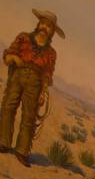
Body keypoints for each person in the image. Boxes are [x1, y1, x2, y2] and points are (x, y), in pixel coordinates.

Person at [0, 9, 64, 168]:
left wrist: (43, 92)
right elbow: (9, 54)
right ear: (38, 24)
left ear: (52, 32)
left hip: (35, 84)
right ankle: (3, 143)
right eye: (43, 23)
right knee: (8, 108)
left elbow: (48, 74)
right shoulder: (23, 38)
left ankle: (22, 151)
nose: (44, 27)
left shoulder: (51, 53)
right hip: (17, 76)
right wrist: (14, 58)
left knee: (29, 116)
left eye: (48, 26)